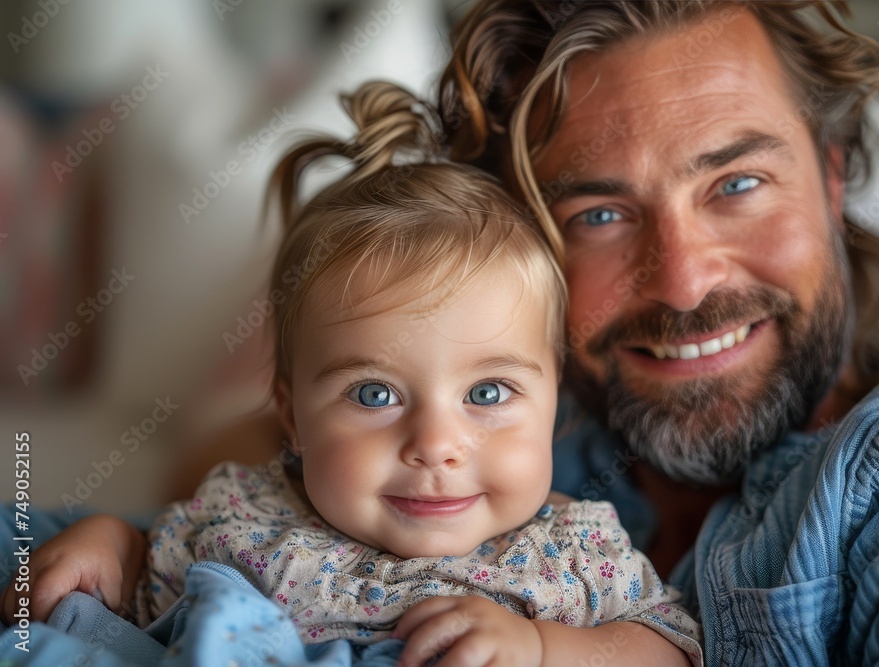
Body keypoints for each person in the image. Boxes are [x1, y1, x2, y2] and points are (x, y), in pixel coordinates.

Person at [1, 82, 702, 667]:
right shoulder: (247, 516)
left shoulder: (573, 552)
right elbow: (149, 566)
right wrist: (112, 543)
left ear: (555, 401)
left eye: (487, 393)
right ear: (292, 414)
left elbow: (672, 647)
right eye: (374, 393)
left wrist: (547, 648)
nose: (435, 443)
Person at [432, 1, 879, 665]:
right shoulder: (468, 453)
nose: (683, 282)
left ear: (832, 178)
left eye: (737, 182)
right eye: (600, 214)